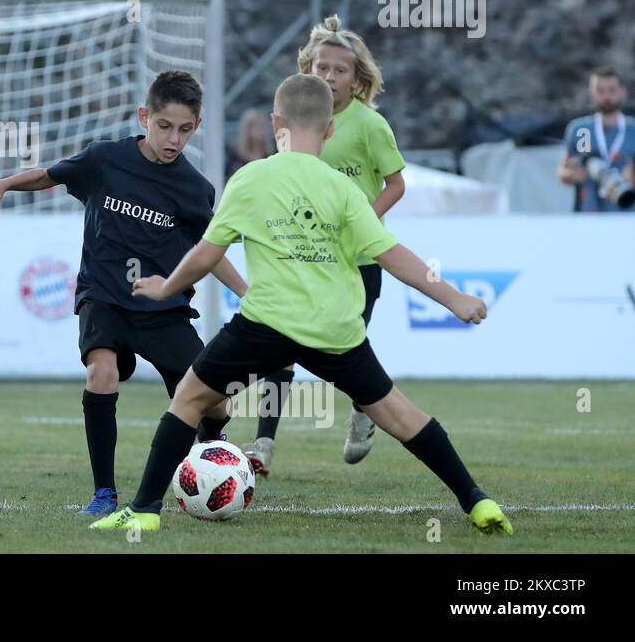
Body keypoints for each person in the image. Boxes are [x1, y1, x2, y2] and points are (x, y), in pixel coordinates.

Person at [90, 74, 512, 535]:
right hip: (335, 330)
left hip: (266, 324)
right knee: (399, 415)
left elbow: (207, 253)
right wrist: (454, 298)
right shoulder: (344, 190)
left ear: (276, 124)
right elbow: (392, 255)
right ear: (330, 130)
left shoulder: (251, 178)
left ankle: (146, 510)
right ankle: (477, 501)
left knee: (189, 399)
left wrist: (167, 287)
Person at [0, 70, 249, 517]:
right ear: (145, 116)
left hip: (163, 305)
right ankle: (105, 493)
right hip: (102, 295)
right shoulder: (105, 159)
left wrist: (246, 293)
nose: (172, 139)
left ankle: (213, 445)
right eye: (163, 126)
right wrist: (4, 183)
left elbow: (208, 250)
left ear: (196, 126)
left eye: (183, 129)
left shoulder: (195, 190)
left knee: (212, 399)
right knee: (101, 372)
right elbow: (50, 175)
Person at [243, 15, 406, 475]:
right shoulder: (294, 125)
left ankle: (362, 410)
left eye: (340, 70)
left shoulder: (370, 126)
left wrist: (362, 225)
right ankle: (262, 444)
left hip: (357, 262)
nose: (330, 77)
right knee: (282, 345)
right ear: (306, 72)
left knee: (349, 348)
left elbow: (396, 185)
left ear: (358, 81)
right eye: (321, 69)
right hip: (304, 258)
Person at [558, 66, 635, 212]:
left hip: (627, 217)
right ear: (592, 93)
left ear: (622, 92)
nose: (606, 96)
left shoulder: (632, 130)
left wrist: (631, 177)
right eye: (600, 90)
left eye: (611, 90)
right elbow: (563, 173)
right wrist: (575, 174)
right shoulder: (581, 130)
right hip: (587, 217)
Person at [226, 107, 273, 180]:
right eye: (258, 127)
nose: (263, 131)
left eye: (264, 126)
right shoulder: (236, 159)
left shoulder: (271, 156)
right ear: (247, 130)